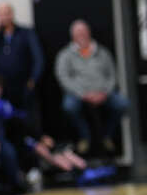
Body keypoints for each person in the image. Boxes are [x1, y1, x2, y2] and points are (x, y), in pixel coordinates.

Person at [54, 19, 129, 155]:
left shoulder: (103, 52)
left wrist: (104, 92)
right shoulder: (65, 55)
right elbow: (63, 78)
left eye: (83, 32)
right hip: (78, 94)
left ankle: (107, 135)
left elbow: (112, 75)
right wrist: (83, 94)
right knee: (69, 107)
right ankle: (85, 136)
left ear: (89, 32)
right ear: (72, 35)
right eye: (78, 33)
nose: (81, 35)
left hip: (103, 93)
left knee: (123, 104)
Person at [0, 2, 45, 117]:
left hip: (23, 84)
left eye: (7, 13)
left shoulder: (26, 32)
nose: (4, 17)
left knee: (27, 118)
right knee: (4, 119)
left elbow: (39, 59)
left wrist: (34, 80)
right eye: (1, 14)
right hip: (2, 86)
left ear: (12, 14)